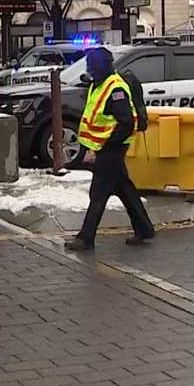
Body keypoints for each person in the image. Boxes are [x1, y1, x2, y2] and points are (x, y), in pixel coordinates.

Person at [65, 47, 155, 252]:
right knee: (124, 188)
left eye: (92, 65)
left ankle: (86, 237)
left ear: (101, 67)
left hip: (111, 148)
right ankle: (144, 228)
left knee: (98, 193)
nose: (89, 69)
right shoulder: (99, 84)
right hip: (105, 147)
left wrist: (108, 144)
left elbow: (126, 122)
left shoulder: (115, 89)